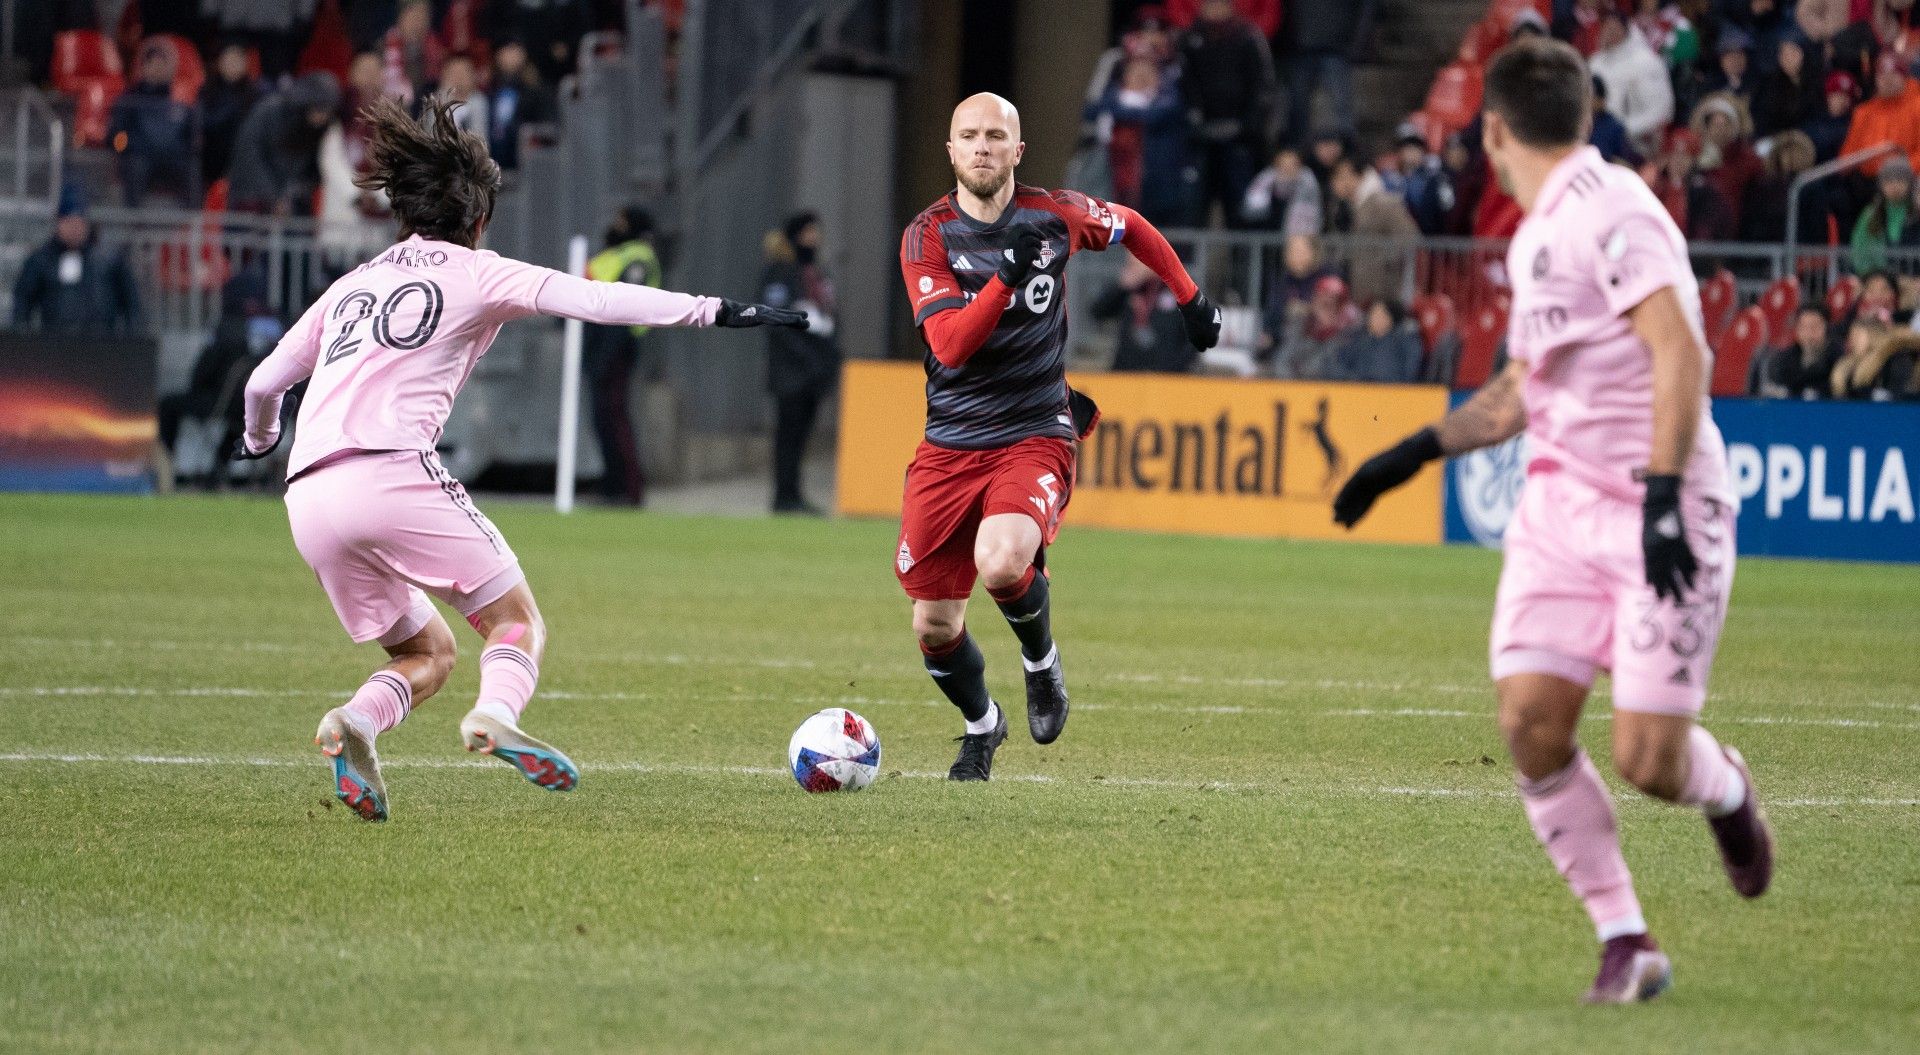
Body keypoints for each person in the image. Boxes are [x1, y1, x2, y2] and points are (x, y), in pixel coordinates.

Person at [1332, 38, 1773, 1005]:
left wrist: (1660, 497)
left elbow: (1683, 350)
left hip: (1666, 505)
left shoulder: (1613, 210)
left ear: (1491, 128)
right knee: (1530, 720)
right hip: (1560, 510)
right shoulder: (1537, 235)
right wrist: (1409, 455)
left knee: (1648, 758)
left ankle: (1729, 790)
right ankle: (1627, 939)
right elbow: (1526, 389)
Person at [235, 97, 806, 822]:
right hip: (389, 471)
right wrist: (714, 309)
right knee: (515, 621)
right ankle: (493, 714)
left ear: (402, 213)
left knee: (427, 651)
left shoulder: (348, 287)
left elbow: (263, 384)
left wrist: (259, 441)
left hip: (308, 495)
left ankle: (357, 721)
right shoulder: (479, 272)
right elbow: (593, 298)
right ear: (479, 221)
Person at [896, 93, 1219, 781]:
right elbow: (950, 346)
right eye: (969, 136)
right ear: (951, 151)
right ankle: (983, 723)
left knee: (1004, 559)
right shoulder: (926, 237)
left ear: (1018, 151)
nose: (982, 147)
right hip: (950, 442)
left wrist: (1190, 298)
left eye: (996, 136)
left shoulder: (1054, 214)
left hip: (1034, 427)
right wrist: (1006, 279)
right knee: (933, 626)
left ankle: (1041, 665)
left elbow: (1130, 224)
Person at [761, 212, 843, 514]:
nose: (814, 238)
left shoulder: (818, 274)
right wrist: (805, 357)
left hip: (814, 373)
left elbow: (831, 317)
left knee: (802, 435)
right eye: (808, 232)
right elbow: (774, 321)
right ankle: (783, 495)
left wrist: (829, 357)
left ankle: (794, 493)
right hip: (791, 372)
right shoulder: (780, 273)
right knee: (788, 435)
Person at [582, 206, 662, 506]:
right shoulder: (612, 255)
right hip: (597, 343)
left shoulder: (638, 256)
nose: (615, 226)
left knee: (615, 418)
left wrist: (604, 355)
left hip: (616, 345)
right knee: (602, 419)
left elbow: (624, 307)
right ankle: (612, 485)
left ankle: (629, 489)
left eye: (622, 221)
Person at [1180, 0, 1276, 227]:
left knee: (1241, 207)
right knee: (1194, 207)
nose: (1214, 9)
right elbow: (1184, 83)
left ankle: (1243, 260)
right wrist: (1193, 120)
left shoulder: (1248, 37)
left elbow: (1262, 85)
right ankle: (1186, 262)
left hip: (1239, 138)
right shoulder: (1189, 39)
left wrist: (1248, 126)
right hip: (1200, 139)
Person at [10, 191, 141, 335]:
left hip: (101, 345)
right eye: (69, 222)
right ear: (59, 223)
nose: (74, 228)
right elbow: (23, 302)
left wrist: (131, 337)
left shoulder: (109, 260)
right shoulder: (41, 260)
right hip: (55, 345)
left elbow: (131, 302)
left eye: (79, 222)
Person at [227, 72, 339, 215]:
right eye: (320, 109)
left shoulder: (317, 130)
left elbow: (308, 171)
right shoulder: (269, 111)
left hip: (290, 204)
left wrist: (291, 193)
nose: (323, 117)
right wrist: (272, 196)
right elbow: (249, 155)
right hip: (252, 200)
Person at [1589, 12, 1675, 157]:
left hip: (1633, 144)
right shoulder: (1595, 62)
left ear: (1625, 29)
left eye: (1614, 27)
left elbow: (1661, 109)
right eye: (1606, 27)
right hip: (1596, 137)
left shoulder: (1645, 62)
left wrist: (1625, 129)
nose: (1609, 32)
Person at [1092, 255, 1198, 372]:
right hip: (1126, 374)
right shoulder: (1126, 289)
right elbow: (1098, 312)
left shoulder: (1178, 288)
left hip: (1167, 377)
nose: (1135, 266)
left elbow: (1196, 336)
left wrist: (1175, 369)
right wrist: (1121, 288)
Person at [1840, 51, 1920, 177]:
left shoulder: (1917, 106)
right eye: (1882, 75)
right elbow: (1847, 158)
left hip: (1907, 180)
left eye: (1893, 75)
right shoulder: (1863, 112)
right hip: (1867, 182)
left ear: (1904, 77)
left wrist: (1896, 173)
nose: (1887, 80)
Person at [199, 42, 263, 186]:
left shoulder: (255, 93)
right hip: (213, 159)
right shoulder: (207, 91)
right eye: (228, 60)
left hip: (245, 159)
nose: (232, 65)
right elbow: (204, 123)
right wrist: (229, 108)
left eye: (237, 61)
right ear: (219, 63)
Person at [1273, 273, 1360, 379]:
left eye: (1335, 300)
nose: (1327, 303)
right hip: (1294, 390)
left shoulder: (1350, 334)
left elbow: (1341, 372)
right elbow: (1281, 362)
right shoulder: (1300, 326)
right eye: (1322, 298)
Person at [486, 40, 554, 171]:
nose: (510, 56)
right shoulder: (492, 91)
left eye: (514, 49)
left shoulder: (538, 91)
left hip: (528, 163)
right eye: (506, 50)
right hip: (494, 164)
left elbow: (547, 127)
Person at [1851, 155, 1915, 274]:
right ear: (1881, 185)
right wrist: (1870, 278)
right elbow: (1859, 247)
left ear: (1910, 183)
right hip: (1877, 279)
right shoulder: (1871, 213)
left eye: (1901, 180)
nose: (1895, 186)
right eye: (1889, 181)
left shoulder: (1916, 211)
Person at [1334, 298, 1424, 382]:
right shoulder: (1358, 341)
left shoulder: (1405, 341)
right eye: (1372, 313)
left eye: (1379, 314)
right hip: (1359, 392)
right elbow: (1341, 364)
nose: (1373, 318)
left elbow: (1410, 371)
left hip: (1394, 393)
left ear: (1391, 318)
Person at [1241, 145, 1323, 234]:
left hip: (1299, 237)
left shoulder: (1308, 182)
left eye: (1292, 163)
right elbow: (1250, 214)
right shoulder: (1265, 181)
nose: (1287, 168)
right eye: (1283, 163)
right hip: (1266, 234)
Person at [1760, 306, 1838, 398]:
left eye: (1814, 327)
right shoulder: (1784, 359)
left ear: (1827, 328)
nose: (1808, 334)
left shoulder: (1838, 360)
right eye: (1803, 327)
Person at [1803, 69, 1859, 163]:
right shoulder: (1814, 123)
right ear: (1828, 96)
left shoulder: (1855, 123)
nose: (1841, 100)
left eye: (1846, 96)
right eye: (1837, 95)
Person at [1588, 76, 1633, 164]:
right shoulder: (1576, 125)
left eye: (1593, 97)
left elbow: (1624, 161)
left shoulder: (1614, 127)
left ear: (1602, 100)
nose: (1590, 102)